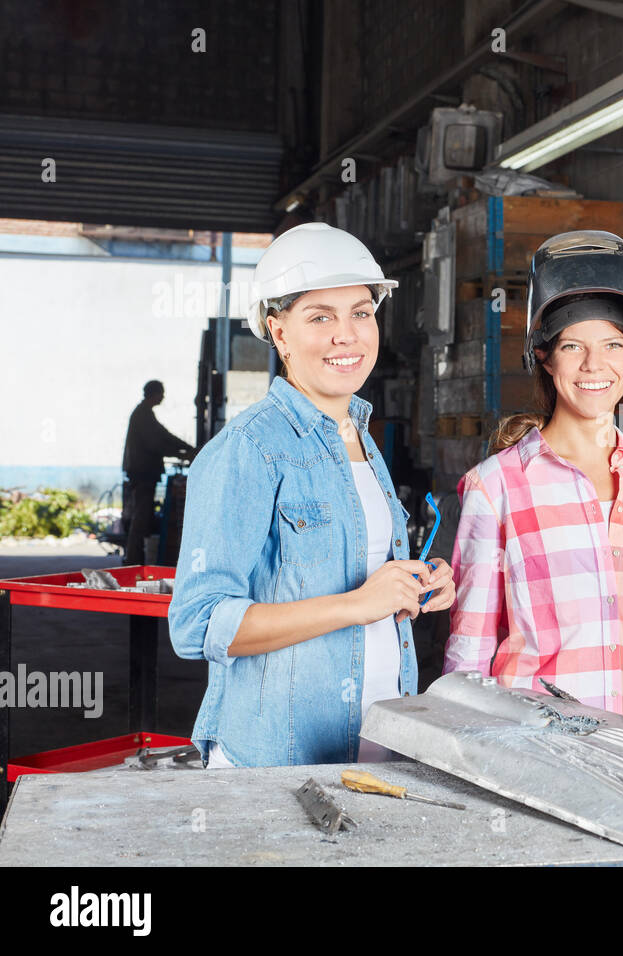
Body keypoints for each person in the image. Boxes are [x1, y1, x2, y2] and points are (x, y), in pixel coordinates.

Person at [168, 222, 455, 768]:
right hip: (276, 760)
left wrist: (415, 581)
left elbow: (356, 573)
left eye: (361, 313)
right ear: (278, 333)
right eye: (320, 317)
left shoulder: (361, 438)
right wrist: (356, 605)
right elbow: (198, 623)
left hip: (374, 746)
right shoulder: (249, 449)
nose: (345, 335)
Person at [444, 231, 623, 747]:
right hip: (537, 759)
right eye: (573, 346)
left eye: (613, 344)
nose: (595, 366)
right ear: (545, 358)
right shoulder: (496, 487)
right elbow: (469, 658)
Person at [122, 380, 194, 565]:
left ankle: (135, 558)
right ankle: (133, 560)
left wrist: (186, 448)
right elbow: (156, 443)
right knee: (140, 518)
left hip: (144, 473)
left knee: (142, 517)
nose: (163, 397)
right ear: (154, 394)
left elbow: (164, 435)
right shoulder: (142, 415)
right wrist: (182, 452)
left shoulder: (145, 414)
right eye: (161, 393)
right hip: (143, 474)